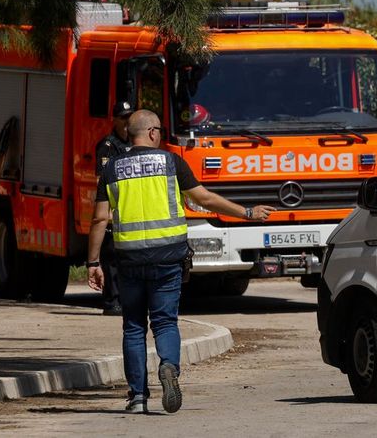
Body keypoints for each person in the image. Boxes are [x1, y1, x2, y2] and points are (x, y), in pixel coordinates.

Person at [86, 110, 275, 414]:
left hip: (130, 260)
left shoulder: (112, 169)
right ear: (151, 133)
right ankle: (169, 368)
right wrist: (248, 213)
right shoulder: (171, 163)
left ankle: (137, 398)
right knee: (164, 322)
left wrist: (93, 262)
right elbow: (206, 199)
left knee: (133, 327)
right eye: (159, 130)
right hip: (168, 259)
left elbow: (98, 218)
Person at [93, 100, 135, 316]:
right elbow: (102, 180)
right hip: (113, 209)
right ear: (115, 120)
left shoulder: (136, 143)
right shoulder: (107, 146)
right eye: (123, 118)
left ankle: (125, 299)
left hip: (131, 210)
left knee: (126, 259)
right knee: (111, 260)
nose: (127, 122)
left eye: (130, 117)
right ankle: (111, 302)